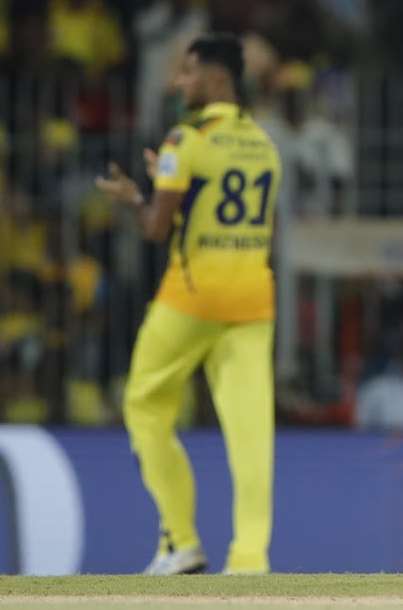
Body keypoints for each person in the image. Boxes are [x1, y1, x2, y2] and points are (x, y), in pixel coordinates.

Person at [95, 34, 282, 575]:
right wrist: (172, 190)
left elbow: (157, 227)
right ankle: (249, 559)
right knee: (251, 436)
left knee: (145, 408)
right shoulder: (263, 143)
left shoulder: (186, 139)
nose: (179, 83)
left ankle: (180, 542)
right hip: (251, 302)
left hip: (191, 299)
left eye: (188, 73)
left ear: (216, 80)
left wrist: (138, 199)